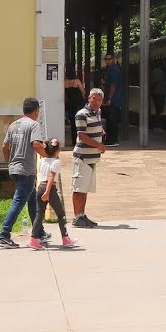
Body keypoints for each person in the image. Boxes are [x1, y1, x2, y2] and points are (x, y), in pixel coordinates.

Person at [0, 98, 47, 249]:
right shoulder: (33, 125)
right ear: (36, 111)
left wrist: (10, 163)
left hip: (15, 169)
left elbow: (5, 146)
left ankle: (40, 232)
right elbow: (36, 144)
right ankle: (4, 235)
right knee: (18, 202)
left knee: (32, 201)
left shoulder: (13, 125)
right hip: (26, 170)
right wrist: (48, 156)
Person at [71, 88, 108, 228]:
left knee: (85, 187)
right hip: (82, 157)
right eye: (95, 99)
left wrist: (101, 131)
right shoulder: (82, 114)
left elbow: (95, 127)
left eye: (100, 99)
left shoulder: (97, 112)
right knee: (79, 187)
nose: (97, 102)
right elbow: (82, 135)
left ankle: (82, 215)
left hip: (92, 158)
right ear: (89, 98)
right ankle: (77, 217)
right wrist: (99, 146)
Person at [32, 139, 75, 248]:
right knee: (61, 214)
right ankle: (65, 238)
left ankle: (33, 239)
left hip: (40, 187)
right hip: (49, 189)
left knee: (39, 214)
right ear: (58, 151)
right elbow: (51, 177)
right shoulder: (56, 162)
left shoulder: (42, 160)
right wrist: (47, 192)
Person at [102, 54, 122, 147]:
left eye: (109, 59)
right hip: (113, 99)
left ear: (114, 59)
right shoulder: (112, 69)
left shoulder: (114, 70)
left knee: (112, 119)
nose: (107, 61)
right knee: (110, 119)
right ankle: (110, 139)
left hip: (113, 100)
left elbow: (113, 85)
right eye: (105, 59)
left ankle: (113, 140)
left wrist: (109, 98)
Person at [150, 62, 166, 134]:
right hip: (158, 92)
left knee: (159, 109)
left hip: (159, 92)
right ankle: (156, 126)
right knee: (159, 109)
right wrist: (152, 89)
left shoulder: (156, 71)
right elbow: (156, 81)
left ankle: (156, 126)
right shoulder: (157, 71)